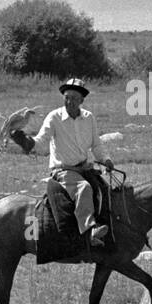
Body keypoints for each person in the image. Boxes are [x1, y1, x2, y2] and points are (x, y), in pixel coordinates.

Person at [7, 78, 115, 246]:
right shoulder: (54, 117)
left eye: (73, 98)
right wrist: (27, 142)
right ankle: (89, 232)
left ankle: (111, 232)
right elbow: (41, 140)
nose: (69, 101)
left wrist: (105, 159)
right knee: (84, 188)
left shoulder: (89, 118)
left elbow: (96, 144)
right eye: (66, 97)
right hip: (63, 171)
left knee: (106, 191)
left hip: (85, 169)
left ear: (81, 100)